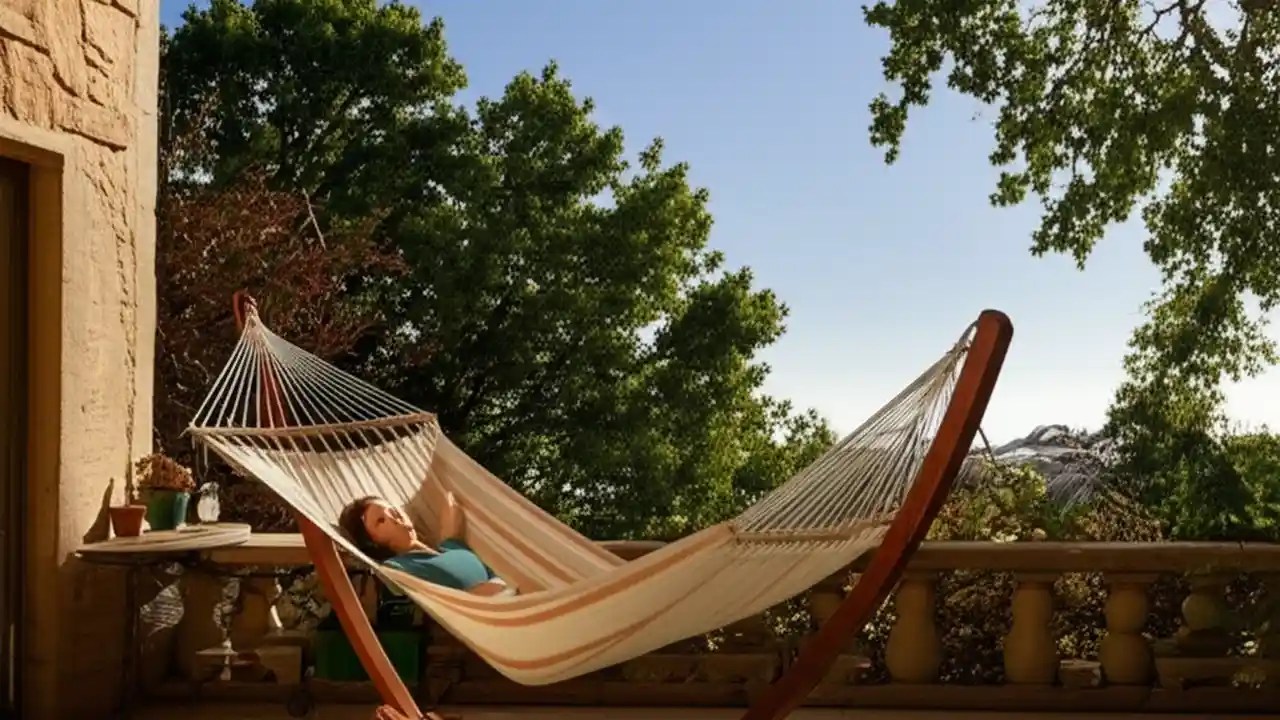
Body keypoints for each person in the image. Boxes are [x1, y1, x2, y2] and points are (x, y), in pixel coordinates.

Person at [338, 491, 514, 597]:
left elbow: (451, 509)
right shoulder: (397, 568)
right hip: (495, 616)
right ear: (373, 542)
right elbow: (445, 605)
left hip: (515, 600)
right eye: (381, 520)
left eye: (391, 509)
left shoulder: (451, 547)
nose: (394, 516)